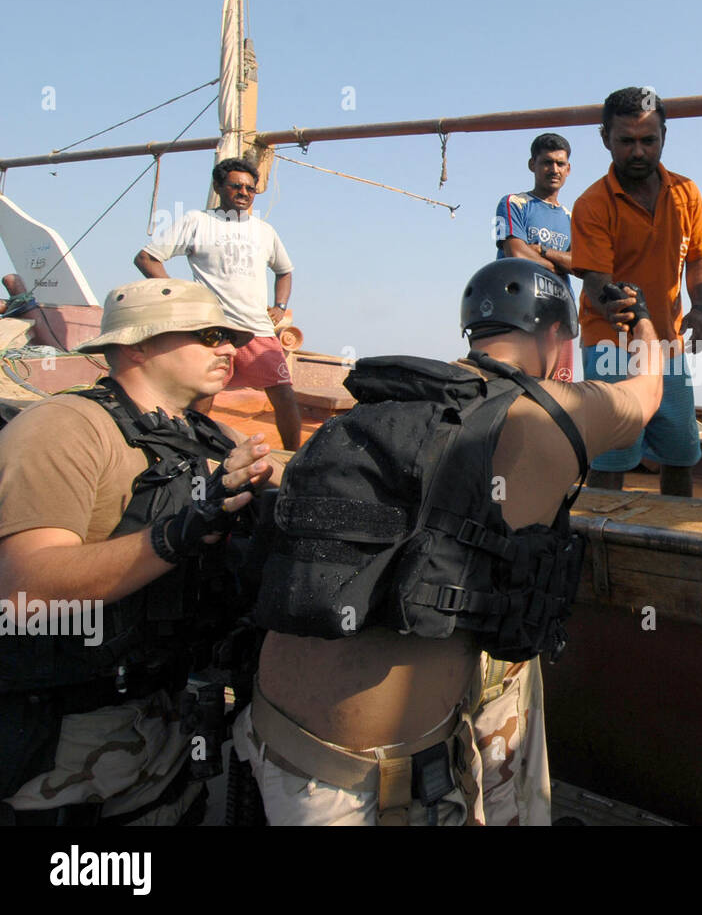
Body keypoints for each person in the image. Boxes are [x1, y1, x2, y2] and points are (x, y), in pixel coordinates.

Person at [233, 257, 663, 825]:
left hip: (268, 738)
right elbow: (648, 390)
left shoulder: (388, 405)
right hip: (372, 787)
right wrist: (644, 323)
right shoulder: (556, 416)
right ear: (557, 337)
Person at [0, 278, 277, 825]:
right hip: (70, 750)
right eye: (208, 335)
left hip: (170, 727)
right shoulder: (67, 428)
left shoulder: (212, 438)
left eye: (229, 336)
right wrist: (179, 533)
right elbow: (24, 588)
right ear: (137, 344)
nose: (228, 348)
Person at [571, 86, 702, 498]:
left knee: (680, 454)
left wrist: (701, 309)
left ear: (663, 137)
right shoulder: (591, 204)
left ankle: (676, 541)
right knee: (612, 459)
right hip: (610, 345)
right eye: (626, 141)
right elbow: (597, 280)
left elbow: (699, 257)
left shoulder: (686, 192)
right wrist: (627, 313)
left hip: (669, 346)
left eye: (648, 140)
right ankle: (602, 540)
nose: (638, 152)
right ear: (605, 139)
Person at [134, 157, 302, 450]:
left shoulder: (264, 231)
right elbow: (147, 258)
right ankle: (194, 456)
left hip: (257, 329)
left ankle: (293, 458)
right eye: (236, 186)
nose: (244, 193)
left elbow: (284, 270)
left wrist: (280, 303)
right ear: (218, 187)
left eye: (250, 188)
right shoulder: (196, 222)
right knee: (203, 394)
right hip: (214, 328)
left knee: (283, 394)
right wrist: (178, 296)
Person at [495, 133, 576, 381]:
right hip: (517, 314)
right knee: (511, 392)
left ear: (568, 169)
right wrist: (560, 263)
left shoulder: (573, 218)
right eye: (547, 162)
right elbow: (516, 253)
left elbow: (580, 264)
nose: (554, 169)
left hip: (559, 318)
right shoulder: (513, 203)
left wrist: (541, 250)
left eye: (560, 164)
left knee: (560, 398)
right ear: (533, 165)